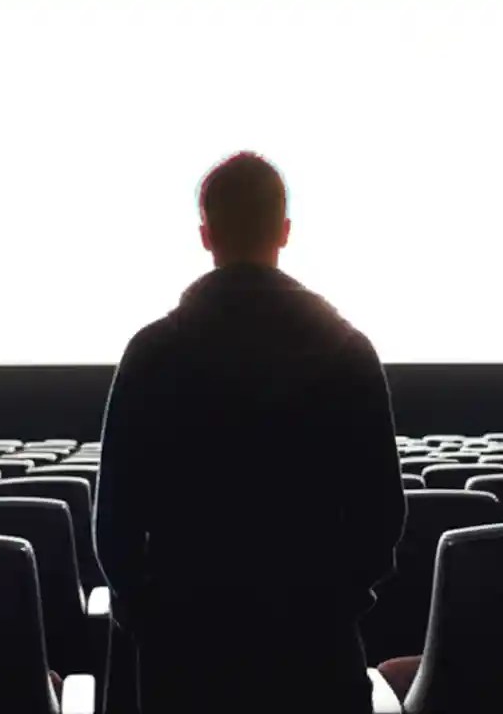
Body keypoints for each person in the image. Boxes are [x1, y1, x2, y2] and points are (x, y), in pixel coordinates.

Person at [94, 151, 406, 714]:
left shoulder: (152, 354)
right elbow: (382, 518)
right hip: (318, 658)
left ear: (206, 235)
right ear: (284, 232)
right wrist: (330, 605)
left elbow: (114, 527)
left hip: (183, 666)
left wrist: (156, 620)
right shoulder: (349, 353)